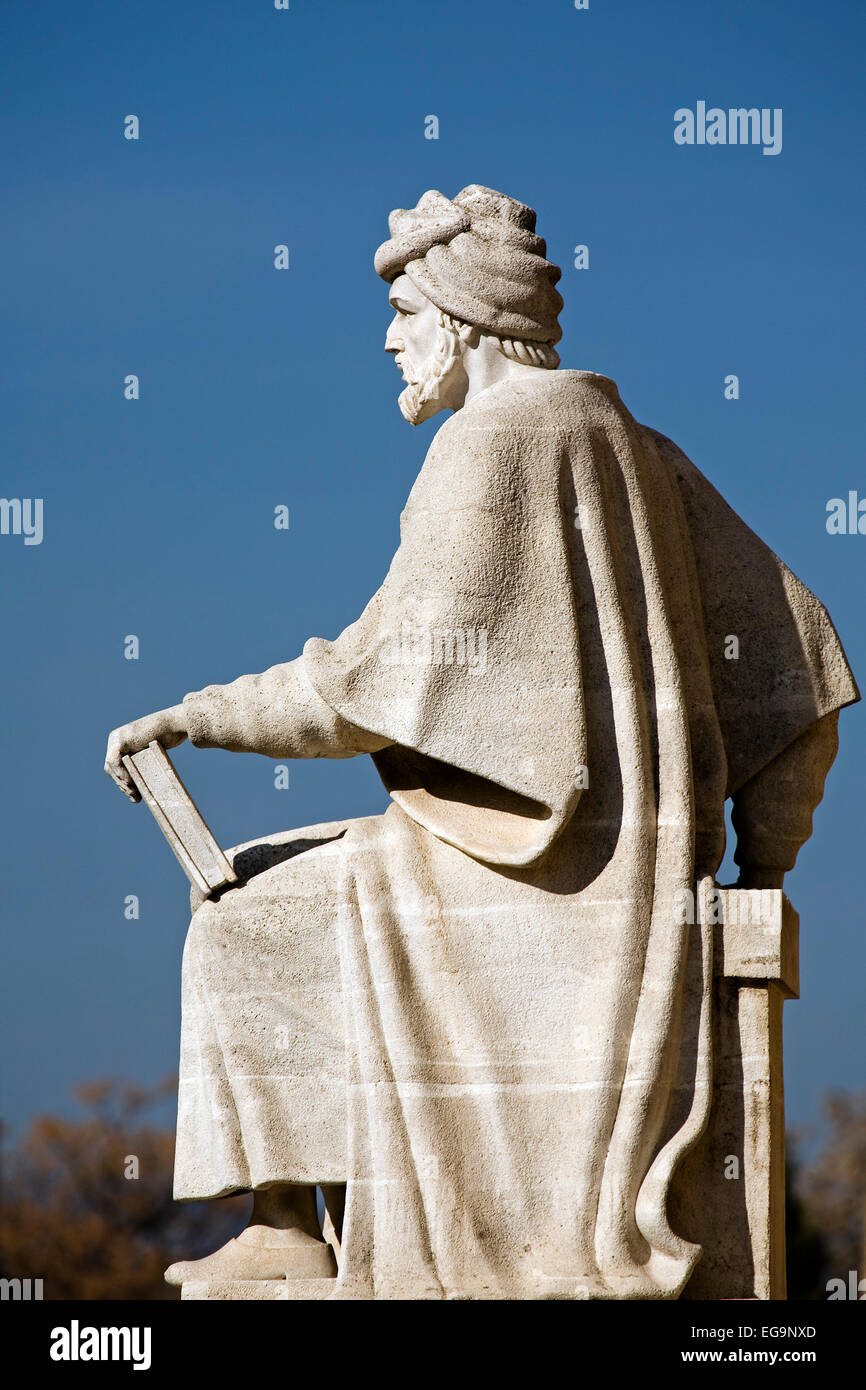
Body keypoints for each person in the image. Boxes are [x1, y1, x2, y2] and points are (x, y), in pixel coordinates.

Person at [105, 186, 857, 1299]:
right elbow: (800, 659)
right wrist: (761, 863)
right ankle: (285, 1229)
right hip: (629, 881)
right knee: (274, 889)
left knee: (243, 915)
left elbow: (360, 687)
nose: (390, 342)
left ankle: (287, 1230)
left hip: (531, 887)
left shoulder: (487, 447)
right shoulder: (636, 446)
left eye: (403, 316)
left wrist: (191, 715)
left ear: (455, 320)